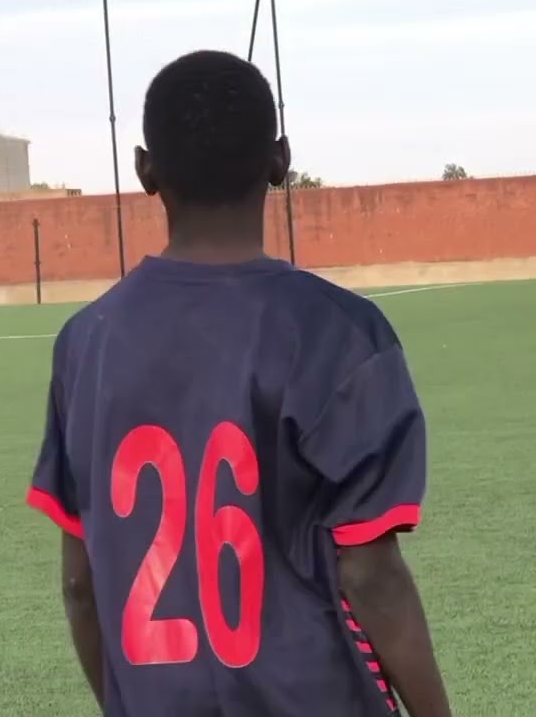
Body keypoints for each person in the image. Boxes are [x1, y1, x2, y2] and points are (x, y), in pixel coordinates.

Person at [27, 50, 451, 717]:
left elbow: (80, 585)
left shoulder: (85, 341)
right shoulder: (344, 331)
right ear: (280, 160)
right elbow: (371, 573)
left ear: (145, 171)